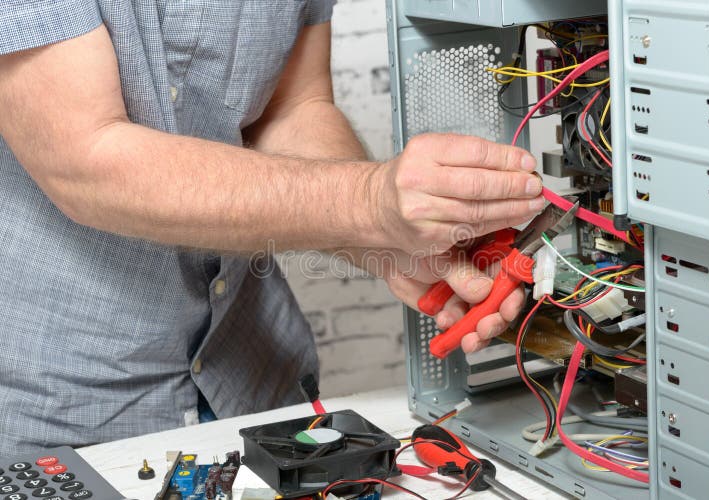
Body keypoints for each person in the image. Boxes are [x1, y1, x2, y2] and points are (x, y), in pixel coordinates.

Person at [0, 1, 544, 454]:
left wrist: (384, 242)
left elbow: (292, 108)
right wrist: (370, 203)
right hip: (70, 403)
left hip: (255, 376)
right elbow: (85, 160)